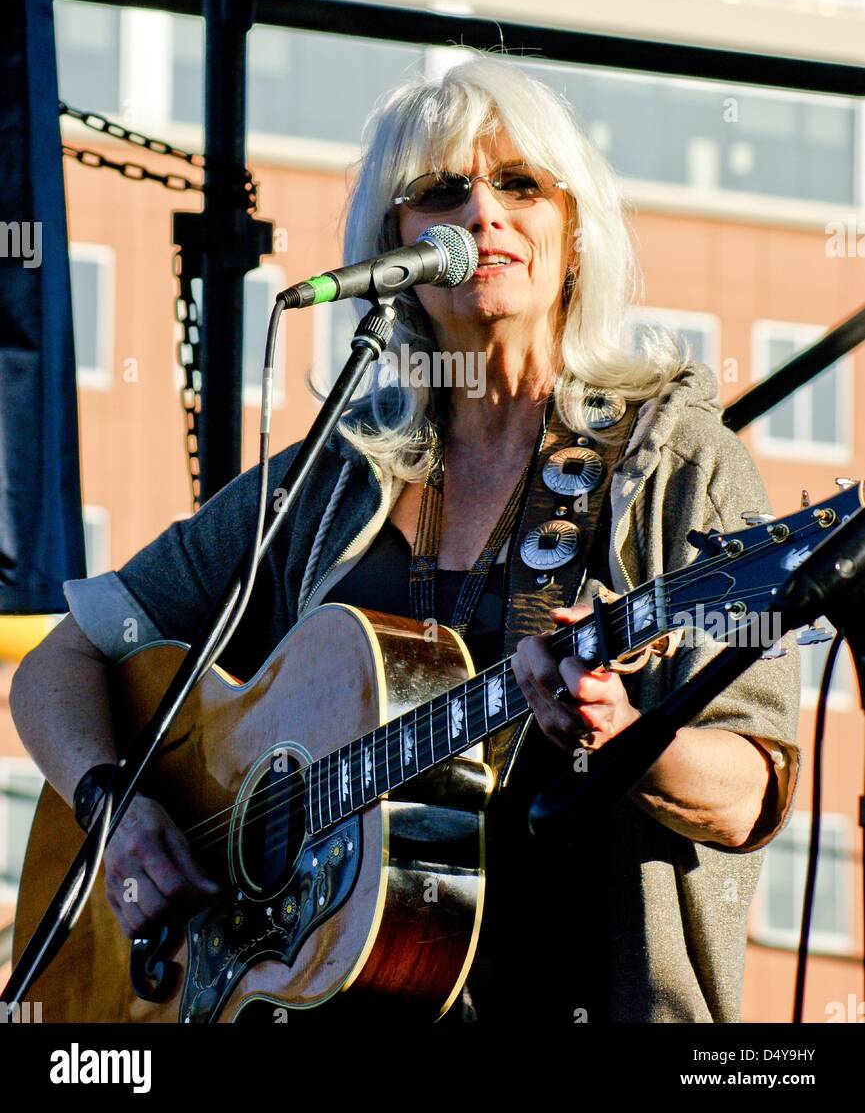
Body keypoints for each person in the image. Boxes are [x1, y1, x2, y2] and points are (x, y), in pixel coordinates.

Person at [11, 53, 800, 1024]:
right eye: (440, 191)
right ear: (392, 241)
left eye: (519, 184)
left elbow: (746, 789)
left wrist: (621, 732)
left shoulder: (674, 461)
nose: (481, 213)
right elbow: (63, 658)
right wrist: (117, 812)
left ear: (575, 232)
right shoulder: (334, 476)